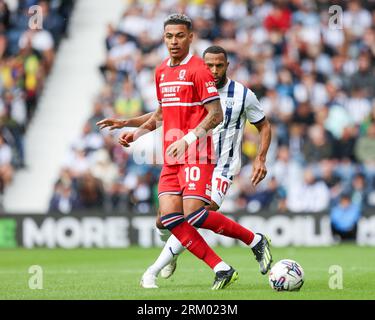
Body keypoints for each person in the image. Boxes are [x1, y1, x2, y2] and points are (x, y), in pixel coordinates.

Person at [98, 15, 272, 290]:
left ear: (191, 37)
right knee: (167, 219)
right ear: (163, 38)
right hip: (171, 156)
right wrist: (136, 130)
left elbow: (214, 115)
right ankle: (221, 267)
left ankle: (251, 242)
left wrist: (189, 139)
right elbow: (162, 113)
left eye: (180, 35)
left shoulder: (201, 72)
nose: (174, 41)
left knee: (195, 214)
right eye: (169, 36)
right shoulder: (160, 72)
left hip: (200, 153)